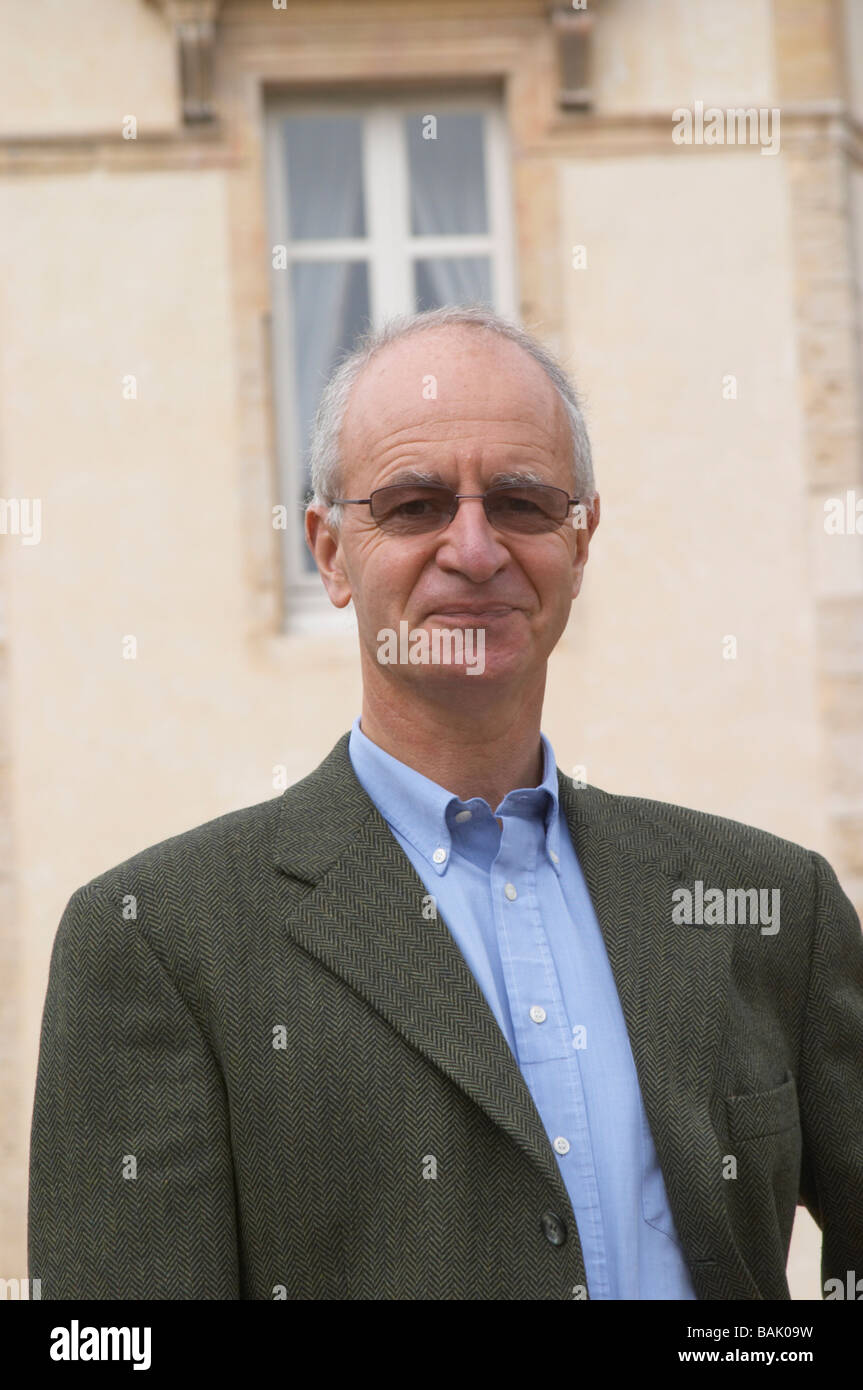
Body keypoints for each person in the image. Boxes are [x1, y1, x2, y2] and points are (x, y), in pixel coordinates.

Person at [29, 305, 863, 1299]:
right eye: (415, 505)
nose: (473, 549)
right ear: (330, 552)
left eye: (519, 502)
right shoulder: (157, 939)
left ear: (580, 537)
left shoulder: (773, 905)